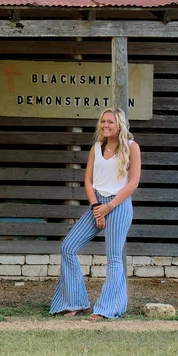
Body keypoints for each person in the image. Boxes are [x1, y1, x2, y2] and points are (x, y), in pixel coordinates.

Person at [51, 108, 141, 320]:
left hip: (119, 205)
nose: (105, 125)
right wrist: (96, 208)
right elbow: (88, 182)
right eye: (102, 121)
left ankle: (107, 308)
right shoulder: (96, 148)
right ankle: (75, 302)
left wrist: (109, 208)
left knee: (113, 258)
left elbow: (133, 182)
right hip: (96, 204)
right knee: (68, 246)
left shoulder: (131, 147)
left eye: (109, 122)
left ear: (119, 124)